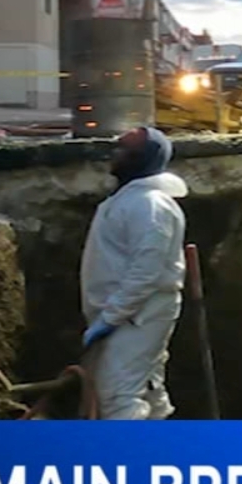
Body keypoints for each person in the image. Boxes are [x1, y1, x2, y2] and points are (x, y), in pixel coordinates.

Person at [79, 126, 189, 420]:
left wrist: (112, 316)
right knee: (148, 386)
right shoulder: (131, 200)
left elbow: (147, 270)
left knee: (118, 396)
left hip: (138, 314)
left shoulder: (150, 204)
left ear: (144, 159)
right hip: (131, 313)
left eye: (124, 149)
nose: (115, 153)